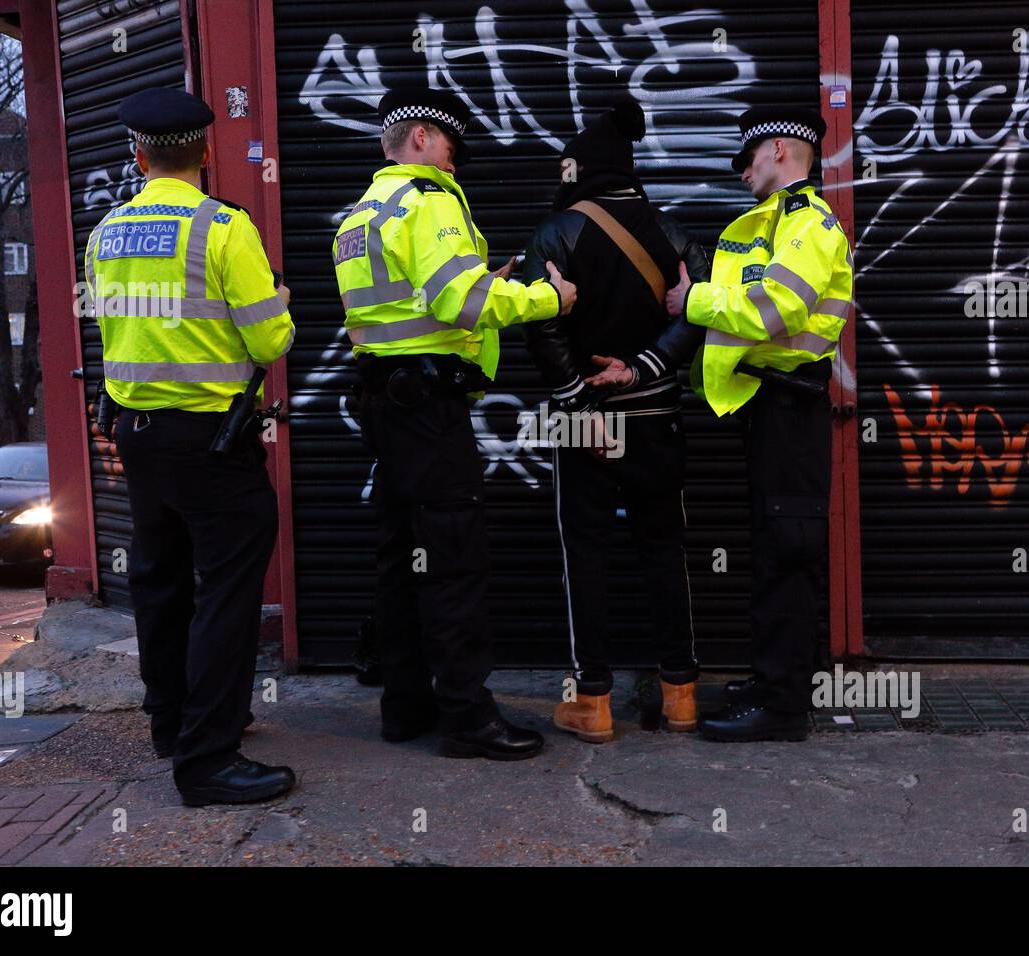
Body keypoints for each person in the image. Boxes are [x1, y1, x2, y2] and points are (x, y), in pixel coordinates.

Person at [334, 88, 577, 760]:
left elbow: (406, 310)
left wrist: (474, 287)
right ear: (419, 138)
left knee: (400, 558)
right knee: (454, 560)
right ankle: (468, 718)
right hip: (429, 413)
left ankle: (404, 706)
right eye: (449, 145)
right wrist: (546, 297)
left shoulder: (359, 214)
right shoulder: (428, 198)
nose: (455, 161)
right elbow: (460, 300)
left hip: (386, 406)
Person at [87, 87, 296, 804]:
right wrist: (280, 305)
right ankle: (208, 761)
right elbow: (269, 338)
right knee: (227, 595)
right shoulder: (224, 228)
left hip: (137, 438)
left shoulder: (105, 233)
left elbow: (111, 331)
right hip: (210, 441)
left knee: (161, 583)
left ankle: (173, 725)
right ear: (206, 152)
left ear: (136, 154)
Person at [520, 96, 711, 743]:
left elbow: (536, 323)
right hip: (657, 414)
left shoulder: (556, 234)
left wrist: (575, 393)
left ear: (581, 172)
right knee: (666, 550)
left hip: (583, 421)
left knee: (586, 554)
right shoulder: (672, 233)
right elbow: (702, 311)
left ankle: (594, 701)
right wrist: (648, 365)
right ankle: (681, 694)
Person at [665, 104, 853, 742]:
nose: (742, 170)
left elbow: (775, 309)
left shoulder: (807, 222)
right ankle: (773, 679)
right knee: (775, 548)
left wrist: (692, 301)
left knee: (789, 552)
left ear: (778, 150)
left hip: (791, 408)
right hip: (768, 407)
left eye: (748, 158)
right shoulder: (771, 224)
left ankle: (782, 706)